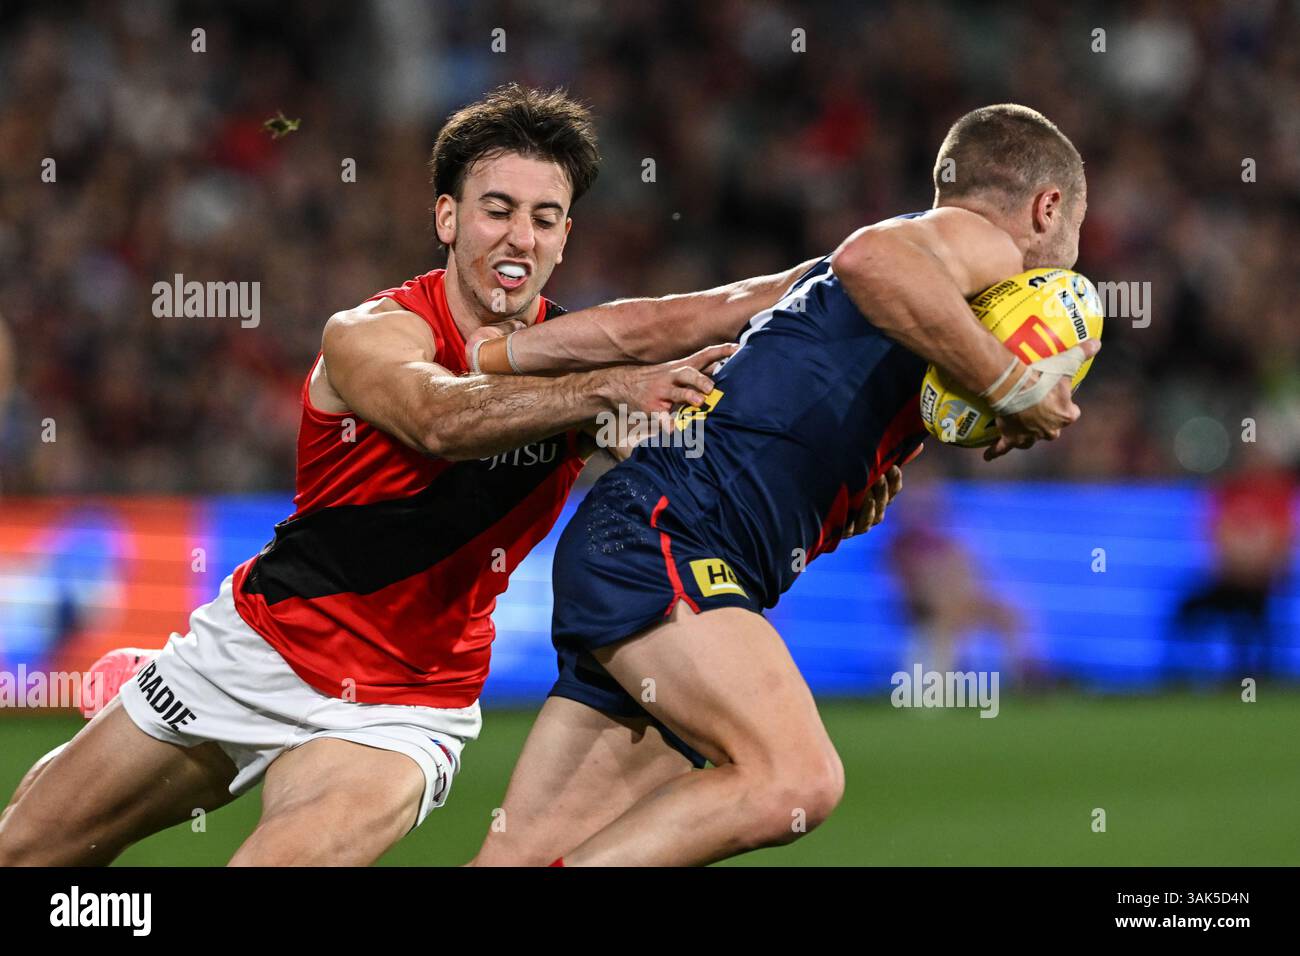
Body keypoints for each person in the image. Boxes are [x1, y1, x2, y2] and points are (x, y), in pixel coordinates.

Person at [0, 84, 816, 866]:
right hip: (258, 648)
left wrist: (836, 486)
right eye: (497, 210)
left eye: (545, 218)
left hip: (405, 707)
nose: (519, 238)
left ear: (566, 237)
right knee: (30, 850)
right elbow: (442, 419)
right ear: (447, 217)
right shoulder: (373, 334)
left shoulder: (586, 365)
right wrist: (605, 391)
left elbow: (701, 469)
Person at [471, 103, 1099, 866]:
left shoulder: (839, 287)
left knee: (518, 858)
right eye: (1077, 229)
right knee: (794, 782)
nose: (1072, 254)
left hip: (652, 541)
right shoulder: (976, 244)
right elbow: (875, 261)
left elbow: (676, 320)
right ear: (1048, 206)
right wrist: (1010, 381)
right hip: (671, 537)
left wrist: (501, 355)